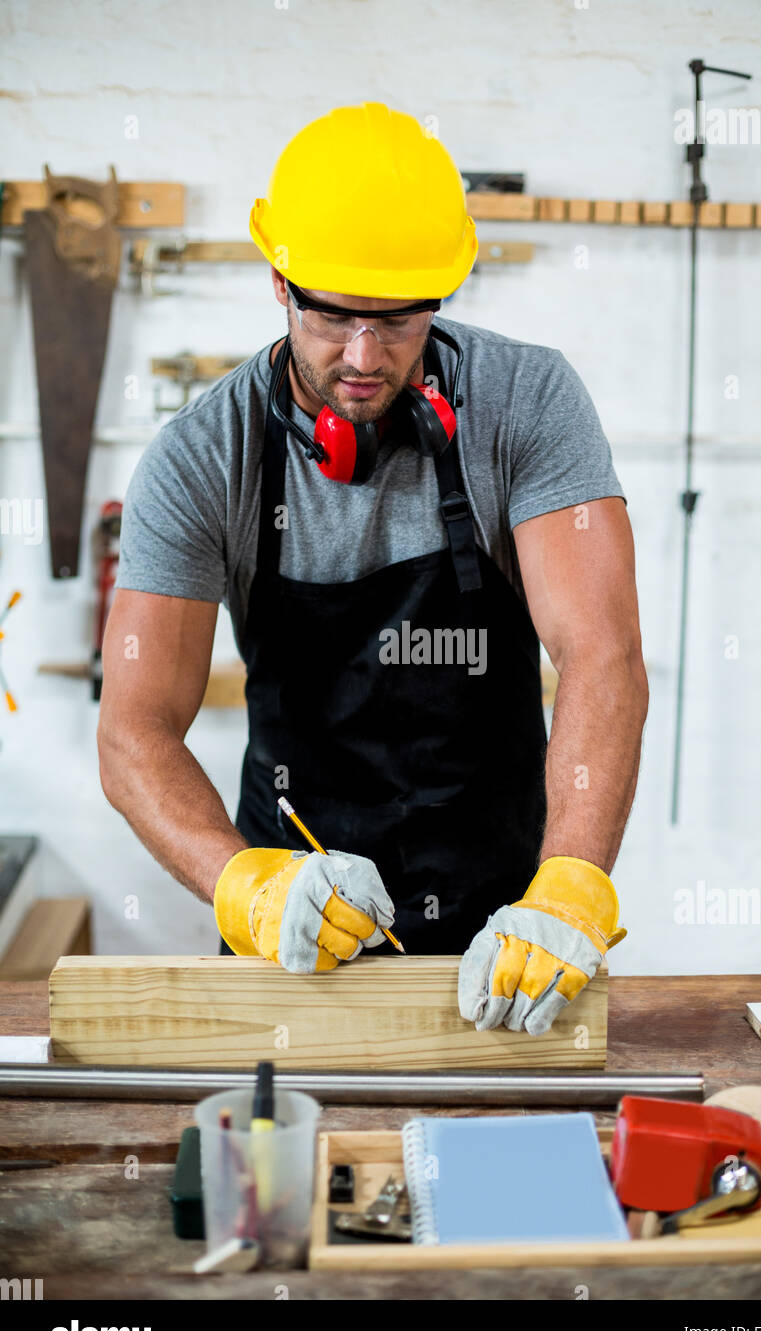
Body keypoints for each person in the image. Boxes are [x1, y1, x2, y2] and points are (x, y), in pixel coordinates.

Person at [98, 101, 649, 1036]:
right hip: (297, 939)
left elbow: (603, 658)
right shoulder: (201, 457)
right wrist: (247, 886)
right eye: (333, 315)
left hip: (508, 931)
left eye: (398, 322)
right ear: (279, 281)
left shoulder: (528, 403)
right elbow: (133, 733)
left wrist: (570, 887)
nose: (363, 357)